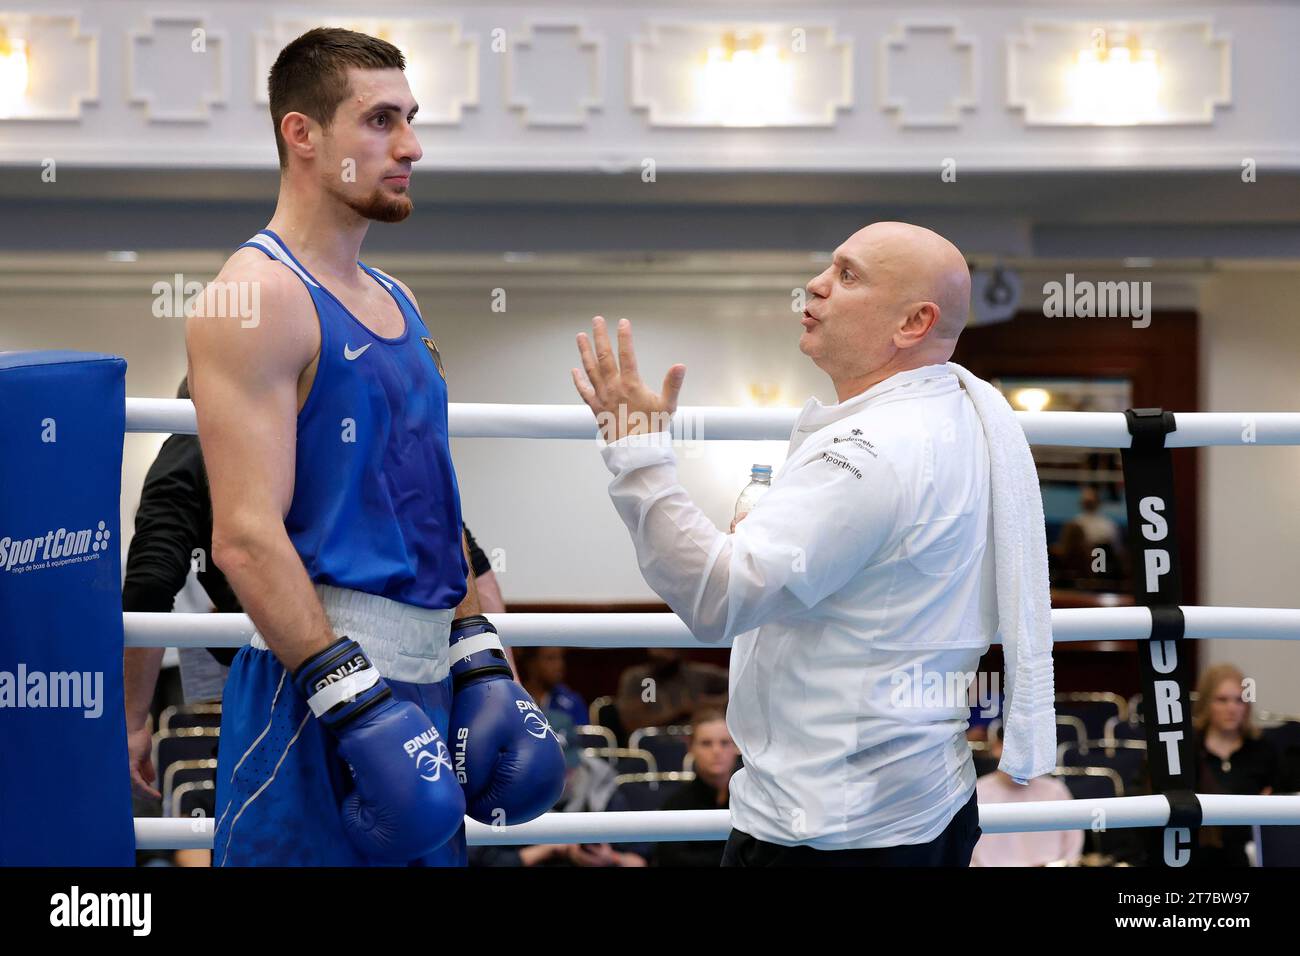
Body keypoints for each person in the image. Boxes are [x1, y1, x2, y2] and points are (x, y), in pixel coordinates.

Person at [185, 27, 562, 866]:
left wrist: (477, 654)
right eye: (381, 120)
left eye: (412, 119)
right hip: (310, 689)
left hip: (422, 685)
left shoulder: (400, 297)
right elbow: (246, 536)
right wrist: (351, 697)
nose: (412, 147)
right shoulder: (254, 297)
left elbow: (432, 499)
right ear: (303, 134)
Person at [571, 221, 1057, 866]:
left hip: (831, 828)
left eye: (848, 276)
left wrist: (637, 450)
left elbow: (718, 598)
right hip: (924, 803)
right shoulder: (961, 414)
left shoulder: (870, 451)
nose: (816, 286)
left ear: (913, 322)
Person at [1191, 663, 1278, 867]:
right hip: (1196, 854)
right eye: (1222, 700)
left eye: (1239, 700)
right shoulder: (1187, 750)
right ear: (1206, 703)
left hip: (1246, 854)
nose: (1232, 708)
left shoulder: (1263, 750)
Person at [970, 735, 1083, 867]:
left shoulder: (1055, 790)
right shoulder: (976, 792)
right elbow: (963, 849)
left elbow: (1073, 844)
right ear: (997, 748)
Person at [653, 709, 738, 867]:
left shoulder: (754, 801)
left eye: (724, 743)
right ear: (690, 747)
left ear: (736, 746)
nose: (716, 751)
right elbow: (672, 860)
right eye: (706, 743)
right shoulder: (675, 805)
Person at [615, 647, 727, 734]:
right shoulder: (637, 678)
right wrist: (679, 710)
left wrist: (715, 703)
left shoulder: (698, 675)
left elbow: (739, 682)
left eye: (668, 648)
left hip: (696, 742)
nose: (661, 652)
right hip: (653, 742)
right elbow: (632, 724)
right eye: (656, 646)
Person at [515, 646, 587, 730]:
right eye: (551, 658)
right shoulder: (514, 698)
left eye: (561, 658)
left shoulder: (573, 702)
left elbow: (581, 741)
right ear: (531, 663)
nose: (559, 665)